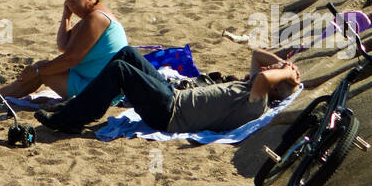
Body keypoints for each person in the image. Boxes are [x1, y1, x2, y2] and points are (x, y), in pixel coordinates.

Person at [34, 44, 301, 135]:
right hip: (172, 96)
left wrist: (288, 74)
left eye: (273, 74)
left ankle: (69, 119)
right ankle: (78, 108)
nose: (266, 71)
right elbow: (256, 55)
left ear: (274, 87)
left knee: (121, 71)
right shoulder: (251, 87)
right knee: (127, 55)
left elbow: (264, 80)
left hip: (170, 113)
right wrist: (283, 64)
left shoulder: (257, 100)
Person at [0, 0, 128, 100]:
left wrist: (37, 72)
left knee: (41, 71)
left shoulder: (96, 18)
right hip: (97, 83)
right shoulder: (90, 18)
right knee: (42, 67)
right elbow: (64, 46)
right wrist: (66, 15)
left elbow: (71, 58)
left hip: (101, 90)